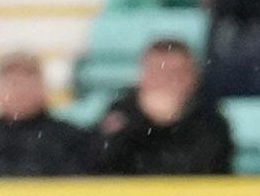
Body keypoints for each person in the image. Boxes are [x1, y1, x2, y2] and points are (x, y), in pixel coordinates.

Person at [0, 52, 98, 182]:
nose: (20, 91)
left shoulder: (74, 139)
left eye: (27, 82)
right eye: (12, 83)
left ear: (44, 88)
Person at [92, 39, 234, 178]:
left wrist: (170, 121)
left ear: (192, 78)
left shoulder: (210, 119)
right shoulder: (121, 112)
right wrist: (143, 120)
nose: (163, 81)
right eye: (155, 72)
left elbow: (203, 169)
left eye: (173, 74)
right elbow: (98, 163)